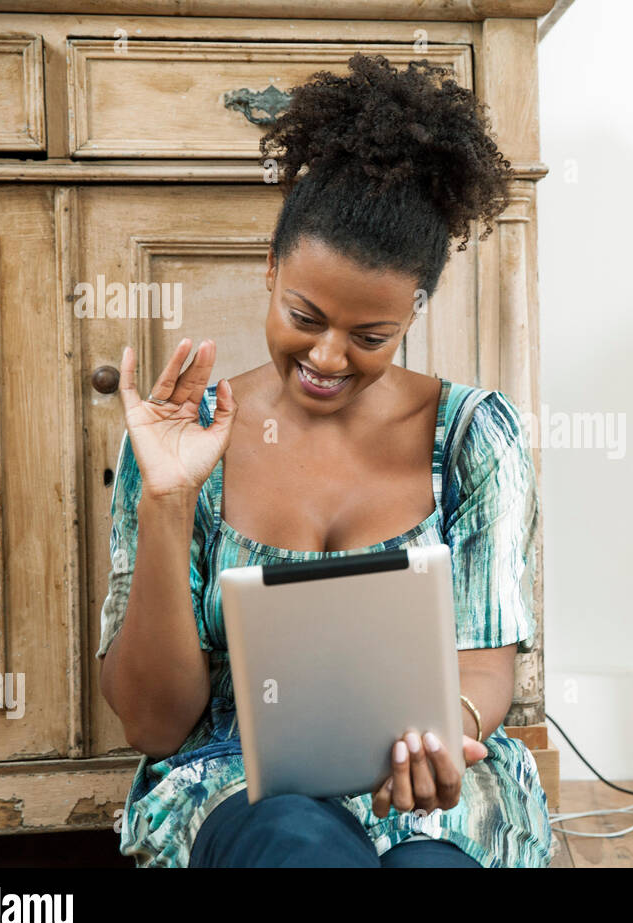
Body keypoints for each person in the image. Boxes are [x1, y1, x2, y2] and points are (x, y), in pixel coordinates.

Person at [95, 53, 552, 868]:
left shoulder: (476, 438)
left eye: (370, 336)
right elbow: (153, 724)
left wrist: (453, 734)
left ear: (413, 310)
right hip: (238, 783)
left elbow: (484, 671)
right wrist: (166, 502)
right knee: (296, 842)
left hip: (433, 786)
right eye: (304, 316)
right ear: (268, 272)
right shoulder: (181, 438)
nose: (329, 358)